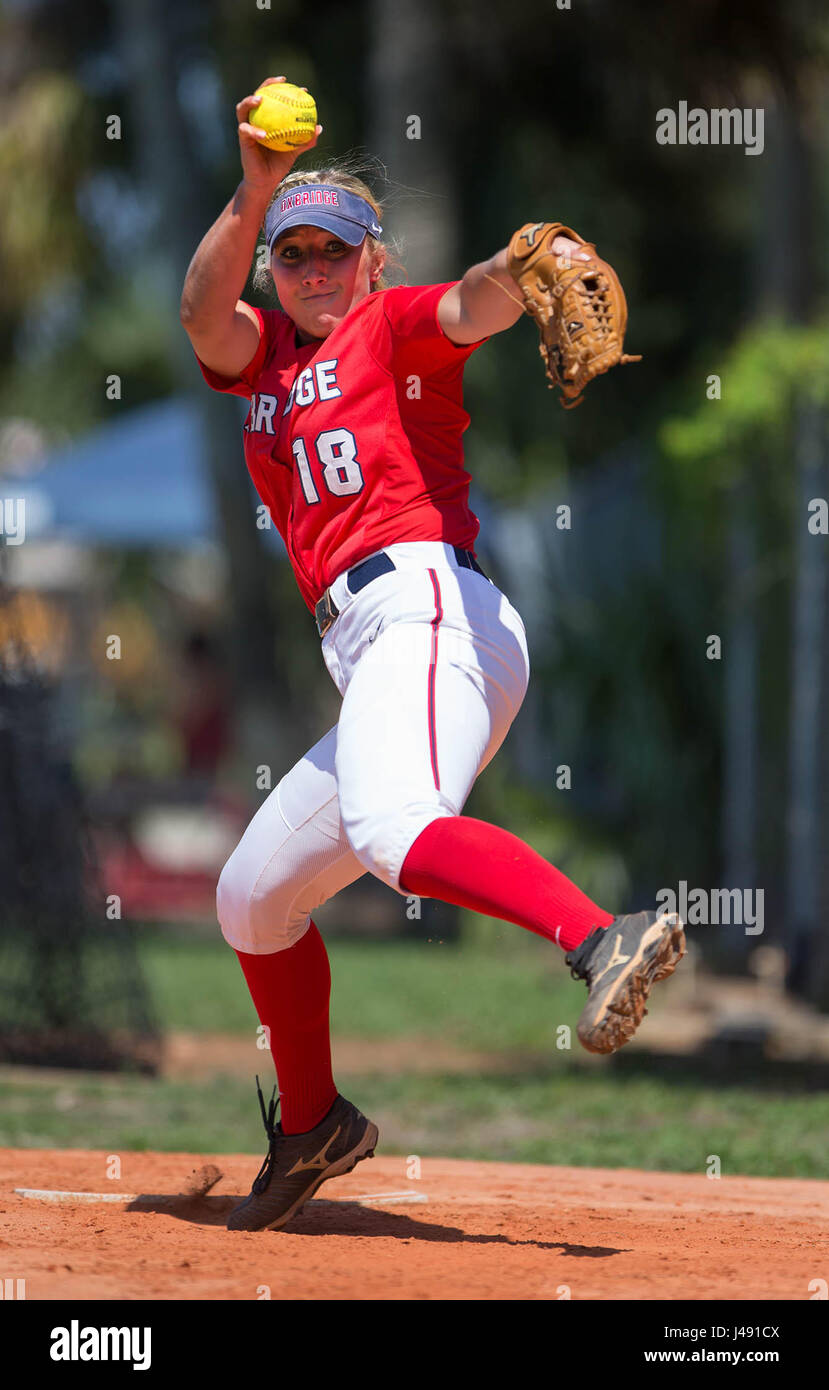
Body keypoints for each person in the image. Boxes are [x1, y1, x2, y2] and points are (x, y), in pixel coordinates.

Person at [180, 76, 686, 1233]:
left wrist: (528, 261)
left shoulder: (388, 325)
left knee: (394, 830)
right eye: (293, 252)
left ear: (371, 260)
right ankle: (313, 1121)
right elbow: (201, 313)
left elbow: (471, 302)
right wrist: (255, 188)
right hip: (372, 654)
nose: (313, 269)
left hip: (427, 609)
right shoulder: (255, 361)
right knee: (252, 897)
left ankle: (598, 935)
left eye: (334, 251)